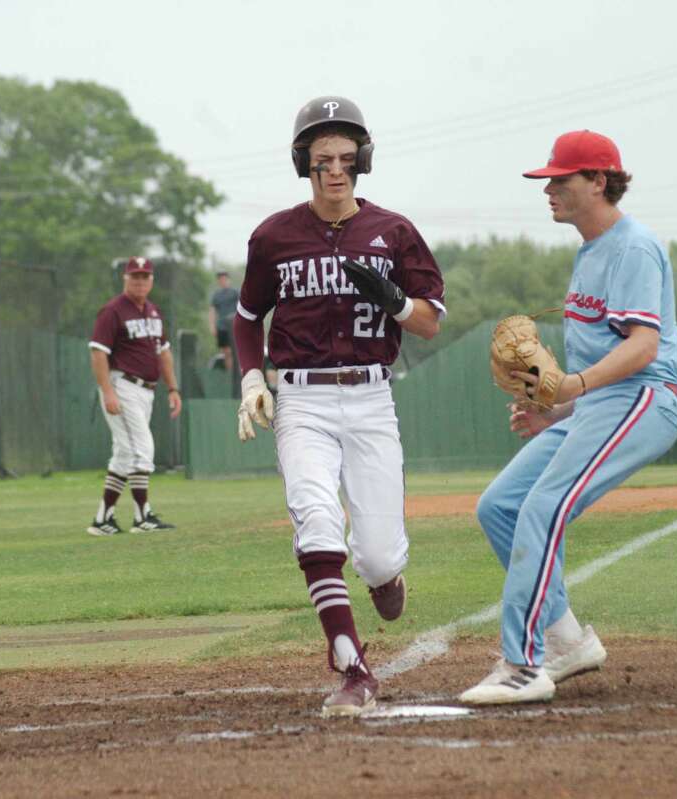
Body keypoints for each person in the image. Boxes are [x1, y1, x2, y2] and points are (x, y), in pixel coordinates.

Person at [234, 96, 445, 717]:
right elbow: (248, 319)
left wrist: (397, 303)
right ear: (303, 162)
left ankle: (385, 577)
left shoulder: (395, 231)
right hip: (301, 397)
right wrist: (252, 378)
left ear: (364, 162)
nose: (335, 170)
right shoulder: (274, 235)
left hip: (372, 395)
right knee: (316, 519)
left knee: (378, 554)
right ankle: (351, 665)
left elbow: (431, 322)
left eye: (347, 159)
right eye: (323, 159)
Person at [460, 130, 677, 705]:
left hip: (642, 398)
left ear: (599, 181)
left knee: (543, 507)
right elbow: (592, 363)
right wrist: (557, 409)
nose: (549, 190)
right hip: (597, 404)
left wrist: (576, 388)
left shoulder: (632, 246)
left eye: (561, 179)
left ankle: (523, 663)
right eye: (548, 181)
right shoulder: (590, 251)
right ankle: (564, 640)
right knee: (502, 506)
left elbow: (642, 347)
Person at [86, 256, 182, 536]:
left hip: (147, 390)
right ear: (125, 279)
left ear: (151, 281)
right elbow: (98, 352)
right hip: (123, 385)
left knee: (124, 454)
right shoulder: (113, 311)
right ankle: (142, 517)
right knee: (142, 449)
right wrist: (108, 392)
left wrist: (173, 388)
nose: (140, 281)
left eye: (144, 276)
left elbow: (163, 352)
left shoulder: (153, 311)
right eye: (134, 276)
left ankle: (103, 519)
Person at [207, 271, 238, 372]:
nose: (223, 281)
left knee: (235, 351)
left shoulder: (235, 292)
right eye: (220, 279)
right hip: (222, 327)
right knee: (226, 352)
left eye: (224, 279)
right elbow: (212, 311)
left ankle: (238, 375)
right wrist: (212, 326)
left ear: (229, 280)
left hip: (234, 326)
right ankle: (230, 374)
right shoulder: (216, 295)